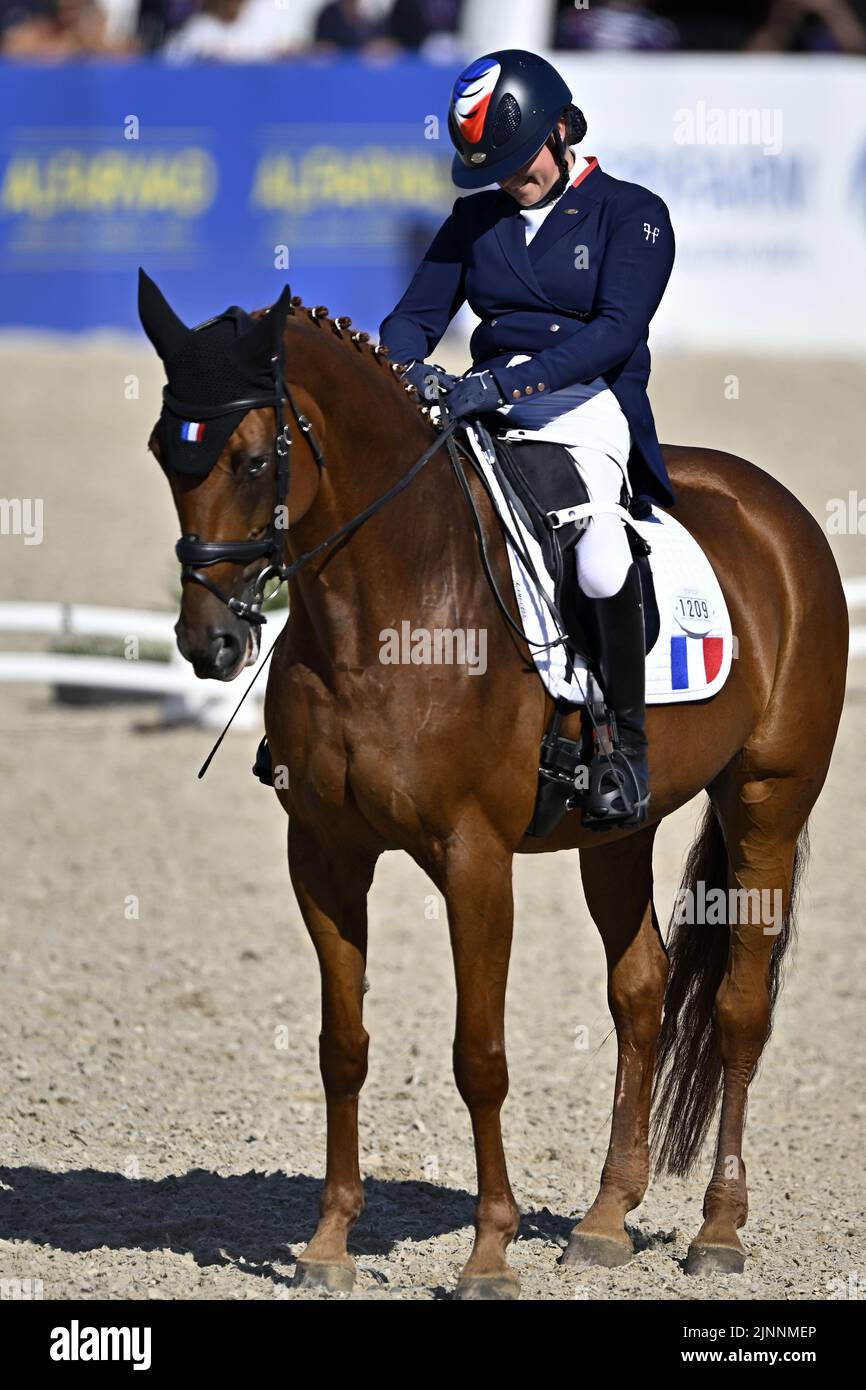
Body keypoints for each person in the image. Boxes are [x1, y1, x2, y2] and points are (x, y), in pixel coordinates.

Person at [379, 48, 675, 829]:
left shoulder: (632, 213)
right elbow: (412, 318)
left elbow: (615, 332)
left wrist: (506, 385)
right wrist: (410, 370)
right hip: (482, 402)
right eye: (496, 169)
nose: (511, 179)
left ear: (562, 129)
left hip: (584, 403)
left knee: (601, 561)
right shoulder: (476, 219)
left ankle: (623, 749)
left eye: (520, 161)